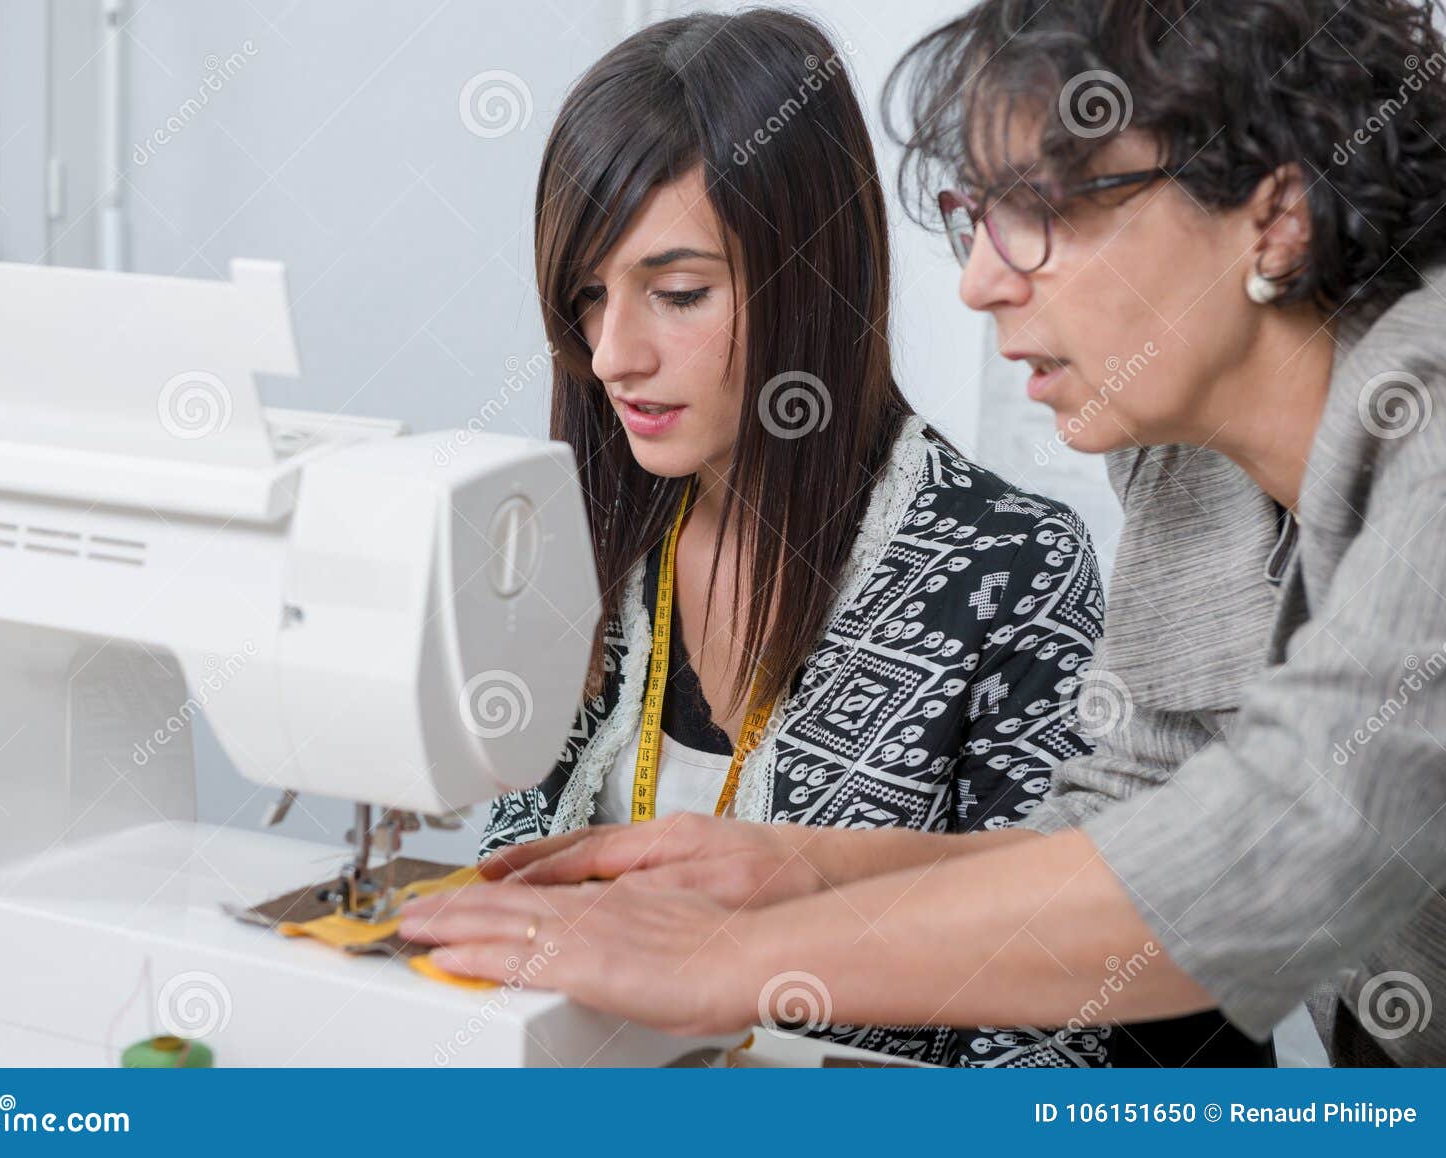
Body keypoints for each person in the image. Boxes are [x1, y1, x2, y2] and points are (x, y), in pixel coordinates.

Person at [402, 0, 1446, 1067]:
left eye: (1044, 211)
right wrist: (801, 870)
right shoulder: (1183, 461)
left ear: (1274, 219)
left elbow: (1296, 837)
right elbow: (1132, 819)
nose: (978, 280)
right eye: (977, 218)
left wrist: (724, 959)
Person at [475, 10, 1113, 1065]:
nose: (610, 354)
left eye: (677, 293)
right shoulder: (587, 546)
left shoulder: (1010, 574)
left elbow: (1051, 1040)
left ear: (811, 278)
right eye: (586, 298)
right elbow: (513, 914)